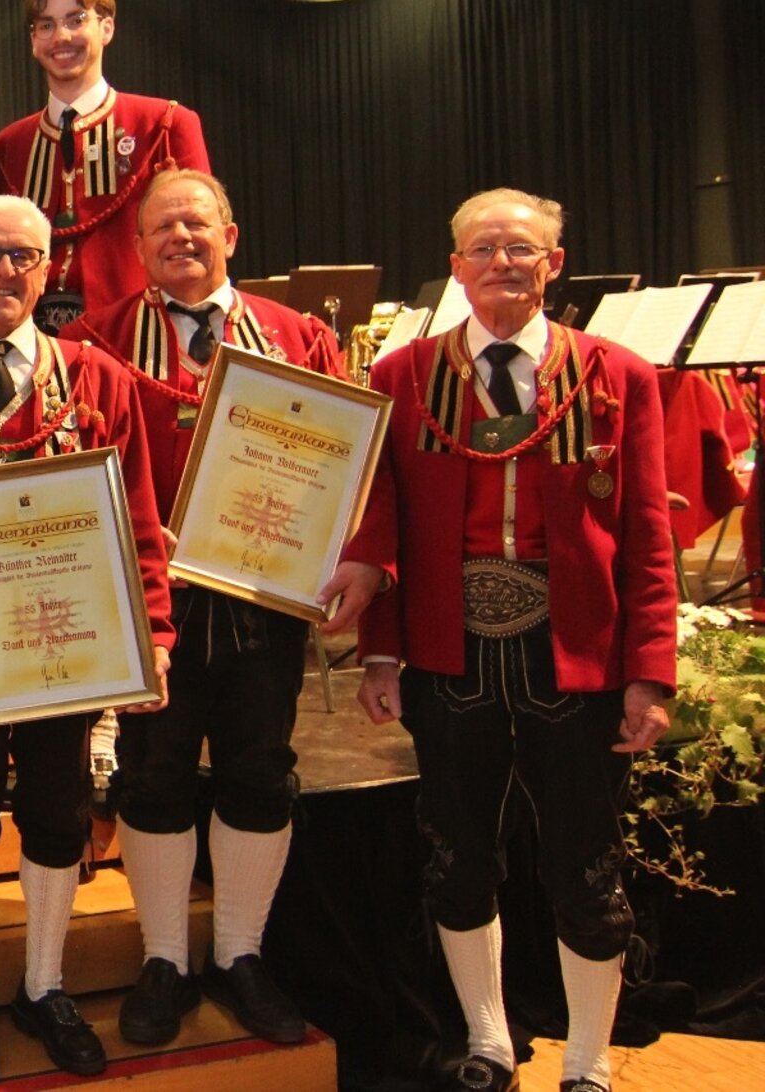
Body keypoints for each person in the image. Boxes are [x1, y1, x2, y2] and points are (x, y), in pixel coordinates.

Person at [321, 188, 676, 1092]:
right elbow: (380, 528)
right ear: (456, 268)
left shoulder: (619, 376)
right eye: (483, 249)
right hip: (451, 655)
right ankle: (488, 1041)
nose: (502, 263)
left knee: (585, 865)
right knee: (458, 855)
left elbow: (647, 536)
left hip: (579, 655)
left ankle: (589, 1063)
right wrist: (382, 654)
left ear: (554, 264)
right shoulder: (401, 378)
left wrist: (650, 675)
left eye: (522, 249)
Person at [0, 195, 175, 1085]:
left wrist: (154, 630)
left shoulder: (101, 381)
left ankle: (43, 985)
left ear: (47, 270)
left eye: (23, 255)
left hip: (67, 642)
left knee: (57, 814)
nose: (5, 270)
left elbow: (138, 519)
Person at [61, 168, 339, 1050]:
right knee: (154, 775)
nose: (181, 239)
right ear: (137, 248)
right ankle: (165, 957)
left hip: (265, 606)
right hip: (156, 608)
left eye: (197, 224)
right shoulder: (94, 342)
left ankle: (242, 955)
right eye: (161, 230)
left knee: (261, 771)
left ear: (232, 233)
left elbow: (345, 466)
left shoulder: (302, 338)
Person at [0, 0, 208, 331]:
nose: (61, 36)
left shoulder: (165, 126)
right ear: (33, 41)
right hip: (35, 351)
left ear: (106, 28)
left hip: (139, 339)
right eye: (45, 25)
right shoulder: (8, 146)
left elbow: (201, 249)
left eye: (76, 20)